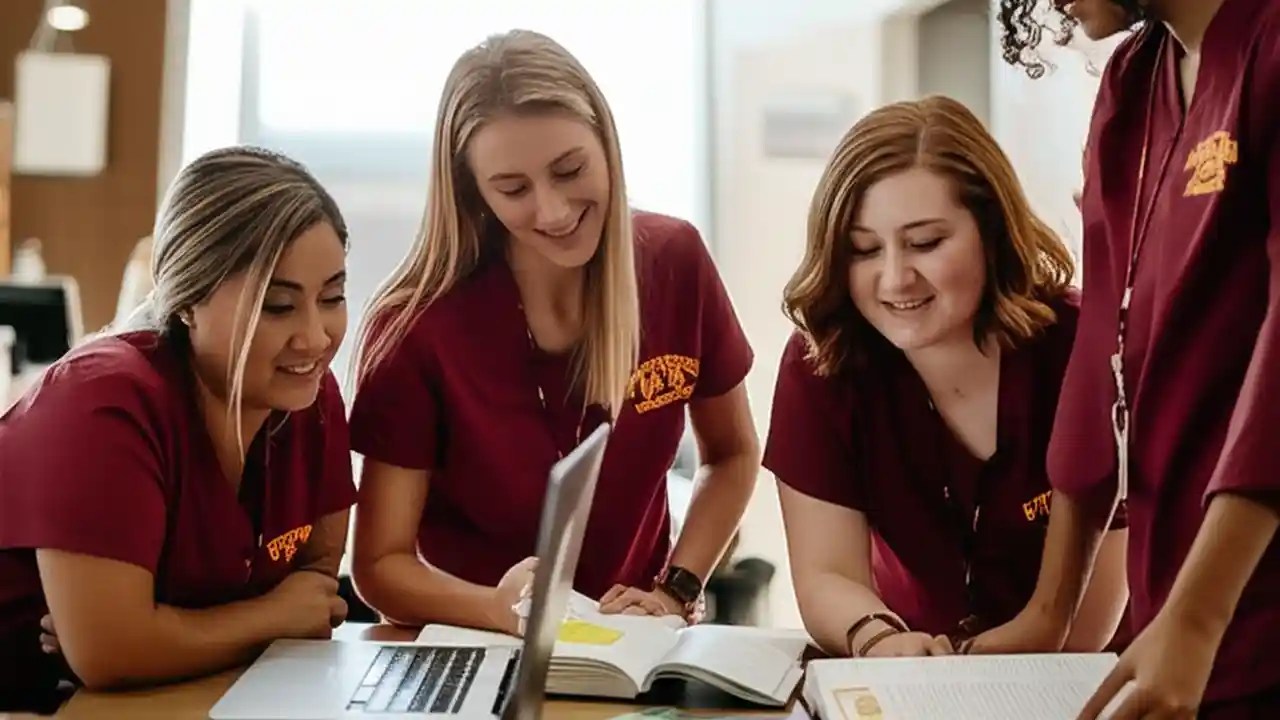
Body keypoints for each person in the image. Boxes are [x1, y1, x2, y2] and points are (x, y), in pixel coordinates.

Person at [347, 29, 759, 636]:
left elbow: (732, 454)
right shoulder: (416, 330)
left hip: (635, 646)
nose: (554, 211)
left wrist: (675, 590)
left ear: (606, 144)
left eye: (570, 170)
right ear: (474, 194)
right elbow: (380, 568)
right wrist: (495, 610)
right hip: (480, 646)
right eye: (513, 189)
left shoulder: (675, 260)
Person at [975, 1, 1280, 717]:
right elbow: (1098, 354)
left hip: (1241, 609)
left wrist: (1197, 618)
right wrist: (1048, 614)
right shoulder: (1132, 81)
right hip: (1172, 610)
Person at [763, 95, 1129, 660]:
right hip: (914, 676)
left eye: (926, 243)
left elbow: (1087, 627)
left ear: (991, 228)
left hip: (1093, 682)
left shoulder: (1086, 349)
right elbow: (826, 574)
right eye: (863, 250)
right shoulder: (822, 360)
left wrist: (958, 666)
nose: (894, 278)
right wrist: (880, 641)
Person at [0, 147, 356, 712]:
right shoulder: (102, 403)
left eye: (332, 297)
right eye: (278, 306)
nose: (315, 338)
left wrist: (165, 635)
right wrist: (267, 616)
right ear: (188, 299)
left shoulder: (310, 399)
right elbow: (111, 654)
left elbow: (315, 589)